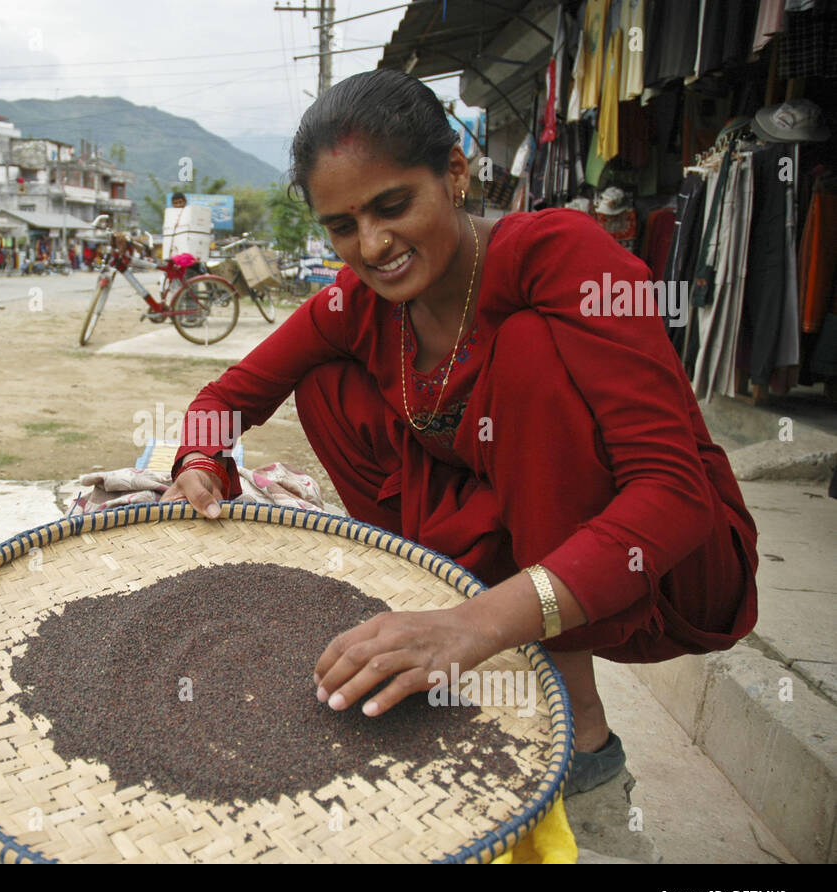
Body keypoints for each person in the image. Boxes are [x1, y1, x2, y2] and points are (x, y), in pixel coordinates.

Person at [162, 70, 759, 797]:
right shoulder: (357, 303)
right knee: (324, 378)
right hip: (490, 532)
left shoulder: (565, 258)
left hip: (665, 559)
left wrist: (475, 627)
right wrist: (201, 457)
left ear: (454, 173)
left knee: (530, 353)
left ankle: (584, 739)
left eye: (392, 206)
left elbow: (674, 494)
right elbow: (228, 397)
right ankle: (422, 597)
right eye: (343, 226)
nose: (373, 245)